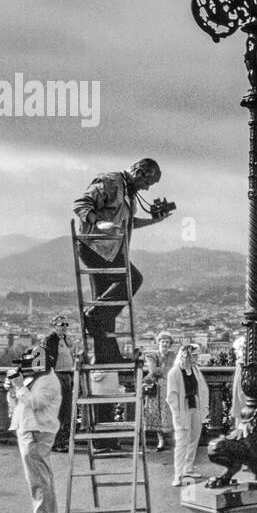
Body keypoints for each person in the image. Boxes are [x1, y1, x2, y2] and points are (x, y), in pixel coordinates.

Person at [72, 158, 173, 363]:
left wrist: (155, 220)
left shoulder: (128, 193)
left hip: (110, 249)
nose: (146, 188)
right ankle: (93, 314)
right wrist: (99, 223)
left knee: (107, 304)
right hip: (96, 246)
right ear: (139, 172)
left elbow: (128, 223)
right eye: (148, 182)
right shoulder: (111, 182)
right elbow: (81, 205)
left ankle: (107, 357)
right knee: (132, 279)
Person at [6, 346, 62, 513]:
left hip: (37, 430)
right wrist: (13, 389)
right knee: (43, 473)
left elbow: (35, 403)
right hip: (32, 428)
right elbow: (19, 402)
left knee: (37, 476)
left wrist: (19, 386)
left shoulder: (46, 380)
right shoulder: (40, 377)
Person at [166, 343, 209, 486]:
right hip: (182, 408)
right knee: (181, 442)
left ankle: (188, 468)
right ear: (186, 356)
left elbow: (201, 389)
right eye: (194, 355)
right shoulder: (174, 372)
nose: (196, 357)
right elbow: (171, 396)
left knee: (194, 438)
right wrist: (177, 414)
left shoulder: (195, 369)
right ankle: (178, 474)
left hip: (195, 405)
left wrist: (204, 408)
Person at [42, 314, 75, 452]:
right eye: (61, 325)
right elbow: (47, 358)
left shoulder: (65, 339)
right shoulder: (50, 340)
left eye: (66, 324)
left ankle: (63, 441)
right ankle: (56, 442)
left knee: (66, 410)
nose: (64, 327)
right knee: (58, 410)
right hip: (56, 375)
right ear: (54, 326)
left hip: (66, 375)